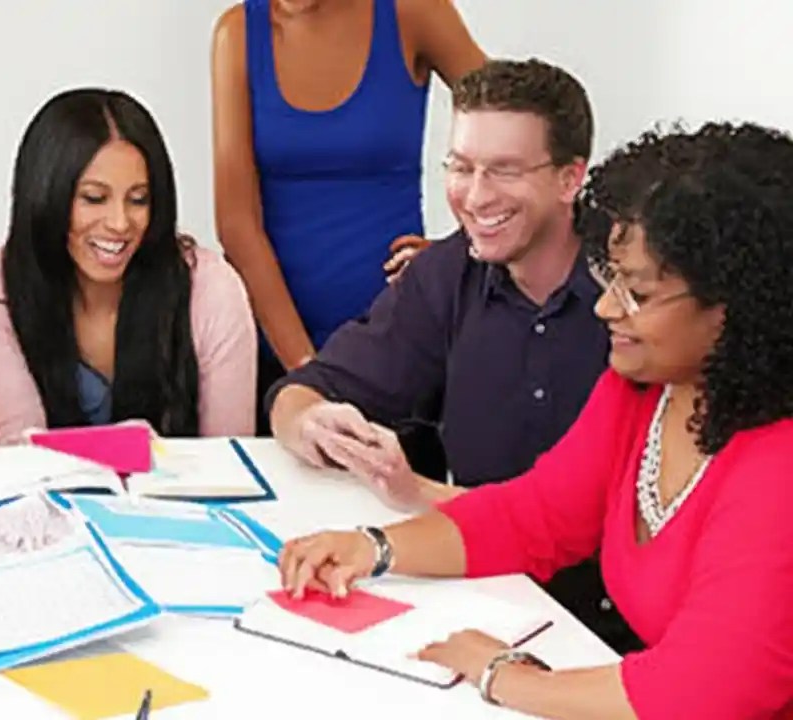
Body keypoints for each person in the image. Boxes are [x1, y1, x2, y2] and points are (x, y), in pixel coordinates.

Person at [278, 122, 793, 719]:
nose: (605, 307)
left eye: (636, 294)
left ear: (740, 307)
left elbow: (700, 692)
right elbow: (537, 514)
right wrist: (374, 548)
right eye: (610, 279)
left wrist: (504, 675)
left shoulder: (777, 469)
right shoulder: (645, 391)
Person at [266, 59, 630, 648]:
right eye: (461, 167)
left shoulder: (637, 295)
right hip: (484, 595)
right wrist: (313, 422)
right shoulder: (448, 273)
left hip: (610, 628)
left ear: (569, 179)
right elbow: (304, 389)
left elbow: (598, 528)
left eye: (505, 171)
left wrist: (416, 496)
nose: (475, 196)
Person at [211, 0, 484, 433]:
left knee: (407, 498)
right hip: (280, 359)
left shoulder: (414, 13)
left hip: (400, 352)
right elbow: (237, 224)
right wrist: (308, 376)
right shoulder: (239, 34)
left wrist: (463, 248)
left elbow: (519, 133)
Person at [0, 88, 256, 446]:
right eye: (94, 198)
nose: (120, 223)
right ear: (46, 194)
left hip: (184, 500)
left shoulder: (211, 288)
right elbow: (19, 448)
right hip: (40, 495)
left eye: (138, 200)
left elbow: (230, 456)